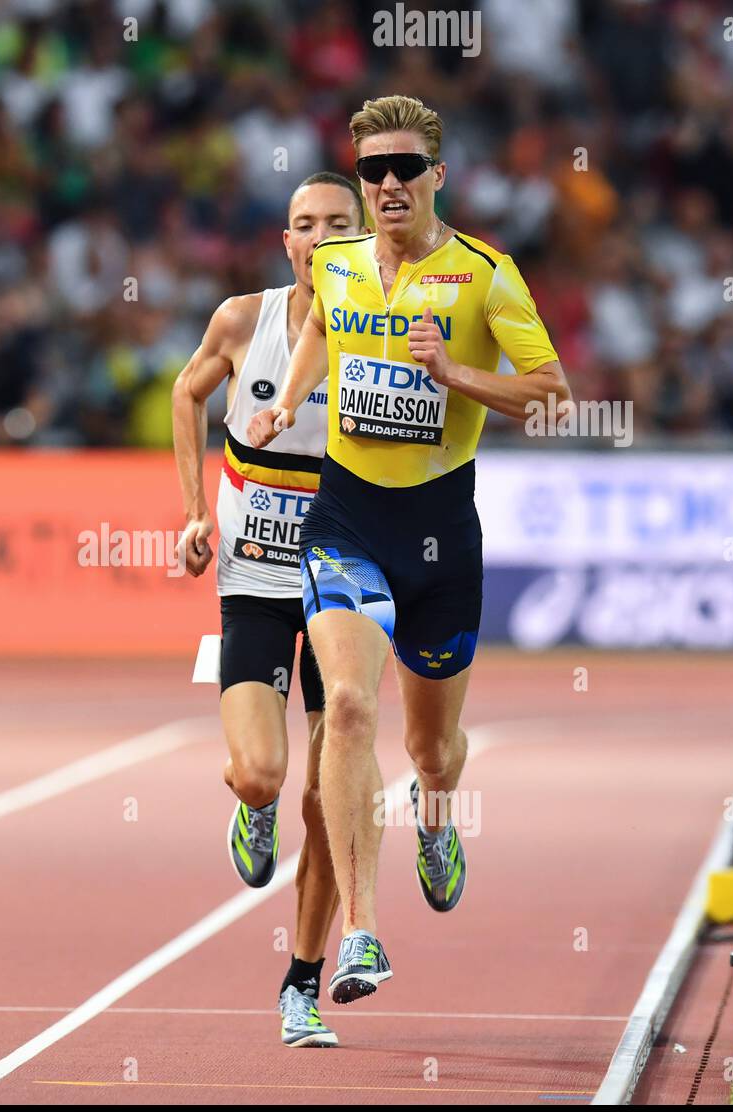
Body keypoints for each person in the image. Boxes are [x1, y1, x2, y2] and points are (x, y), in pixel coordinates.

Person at [249, 96, 572, 1004]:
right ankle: (361, 931)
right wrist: (286, 401)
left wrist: (453, 373)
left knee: (432, 750)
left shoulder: (486, 276)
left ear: (438, 175)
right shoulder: (340, 262)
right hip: (348, 521)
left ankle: (437, 819)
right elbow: (319, 329)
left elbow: (553, 394)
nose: (387, 185)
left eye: (404, 169)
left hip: (440, 533)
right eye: (372, 171)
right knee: (347, 705)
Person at [173, 172, 364, 1045]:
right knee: (264, 773)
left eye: (336, 225)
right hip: (252, 577)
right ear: (285, 242)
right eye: (303, 225)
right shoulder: (242, 321)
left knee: (327, 796)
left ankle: (302, 981)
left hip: (342, 583)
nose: (318, 237)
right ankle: (251, 805)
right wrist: (194, 511)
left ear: (360, 240)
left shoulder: (380, 336)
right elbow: (186, 394)